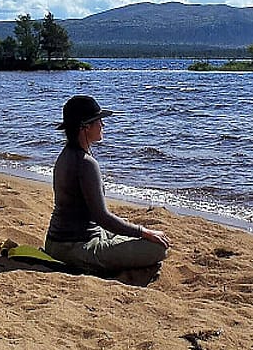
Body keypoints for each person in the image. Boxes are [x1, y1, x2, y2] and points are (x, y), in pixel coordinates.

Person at [44, 94, 170, 275]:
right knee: (158, 249)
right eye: (99, 121)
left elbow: (99, 220)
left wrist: (141, 233)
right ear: (85, 126)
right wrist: (144, 232)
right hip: (75, 247)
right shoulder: (85, 163)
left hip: (58, 242)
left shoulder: (67, 154)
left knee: (146, 237)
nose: (103, 125)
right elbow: (102, 217)